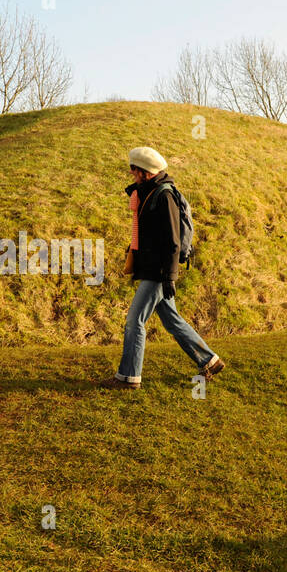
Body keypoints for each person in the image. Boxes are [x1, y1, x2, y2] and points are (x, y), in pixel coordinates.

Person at [99, 146, 225, 389]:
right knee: (172, 320)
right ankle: (209, 360)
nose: (131, 173)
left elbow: (173, 241)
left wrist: (169, 277)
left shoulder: (164, 195)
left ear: (145, 171)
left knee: (135, 320)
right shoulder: (149, 191)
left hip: (158, 272)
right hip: (151, 267)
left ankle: (128, 377)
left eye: (134, 169)